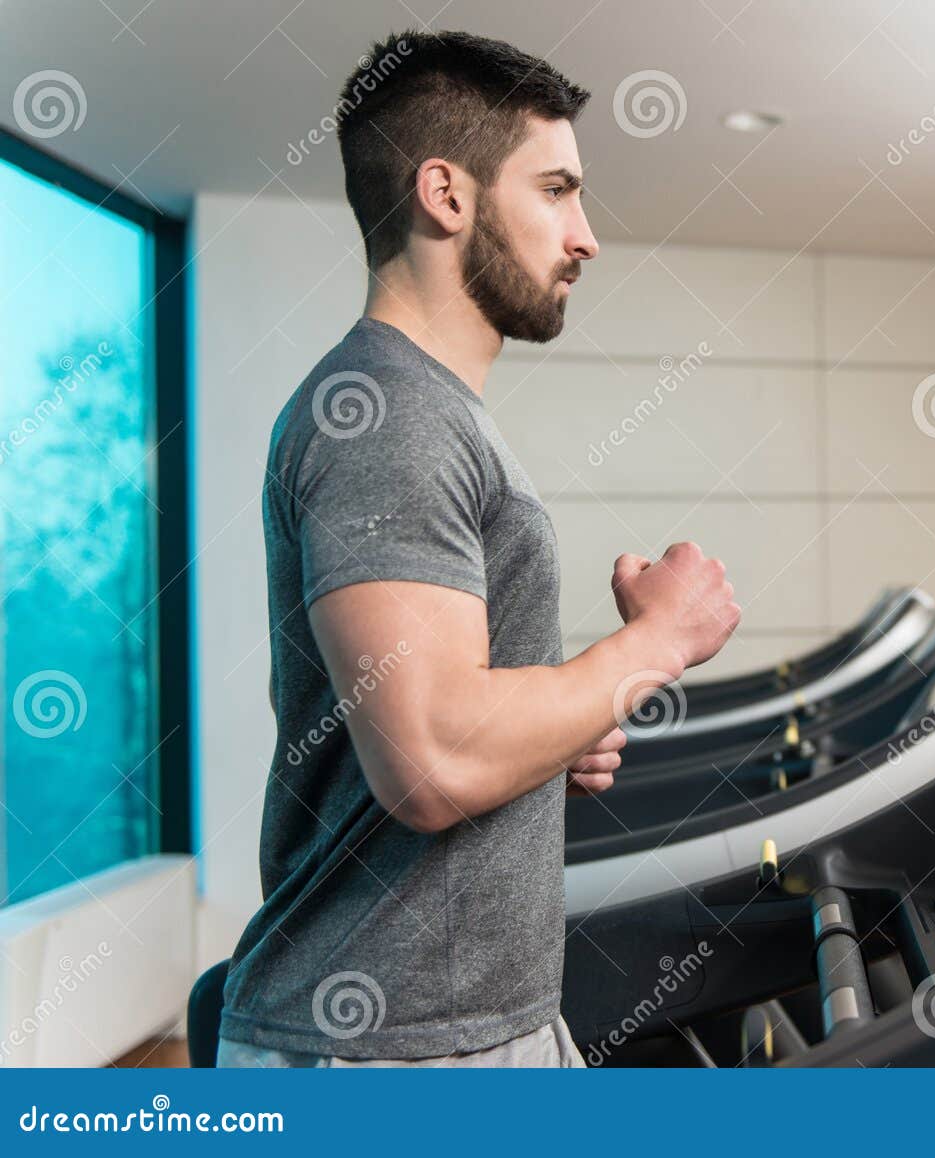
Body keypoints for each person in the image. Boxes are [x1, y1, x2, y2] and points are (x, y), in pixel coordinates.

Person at [216, 29, 739, 1068]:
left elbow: (445, 724)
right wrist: (657, 644)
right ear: (446, 196)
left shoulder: (428, 412)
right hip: (385, 1051)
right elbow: (431, 759)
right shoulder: (388, 420)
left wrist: (554, 731)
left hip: (455, 1031)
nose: (585, 236)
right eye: (555, 190)